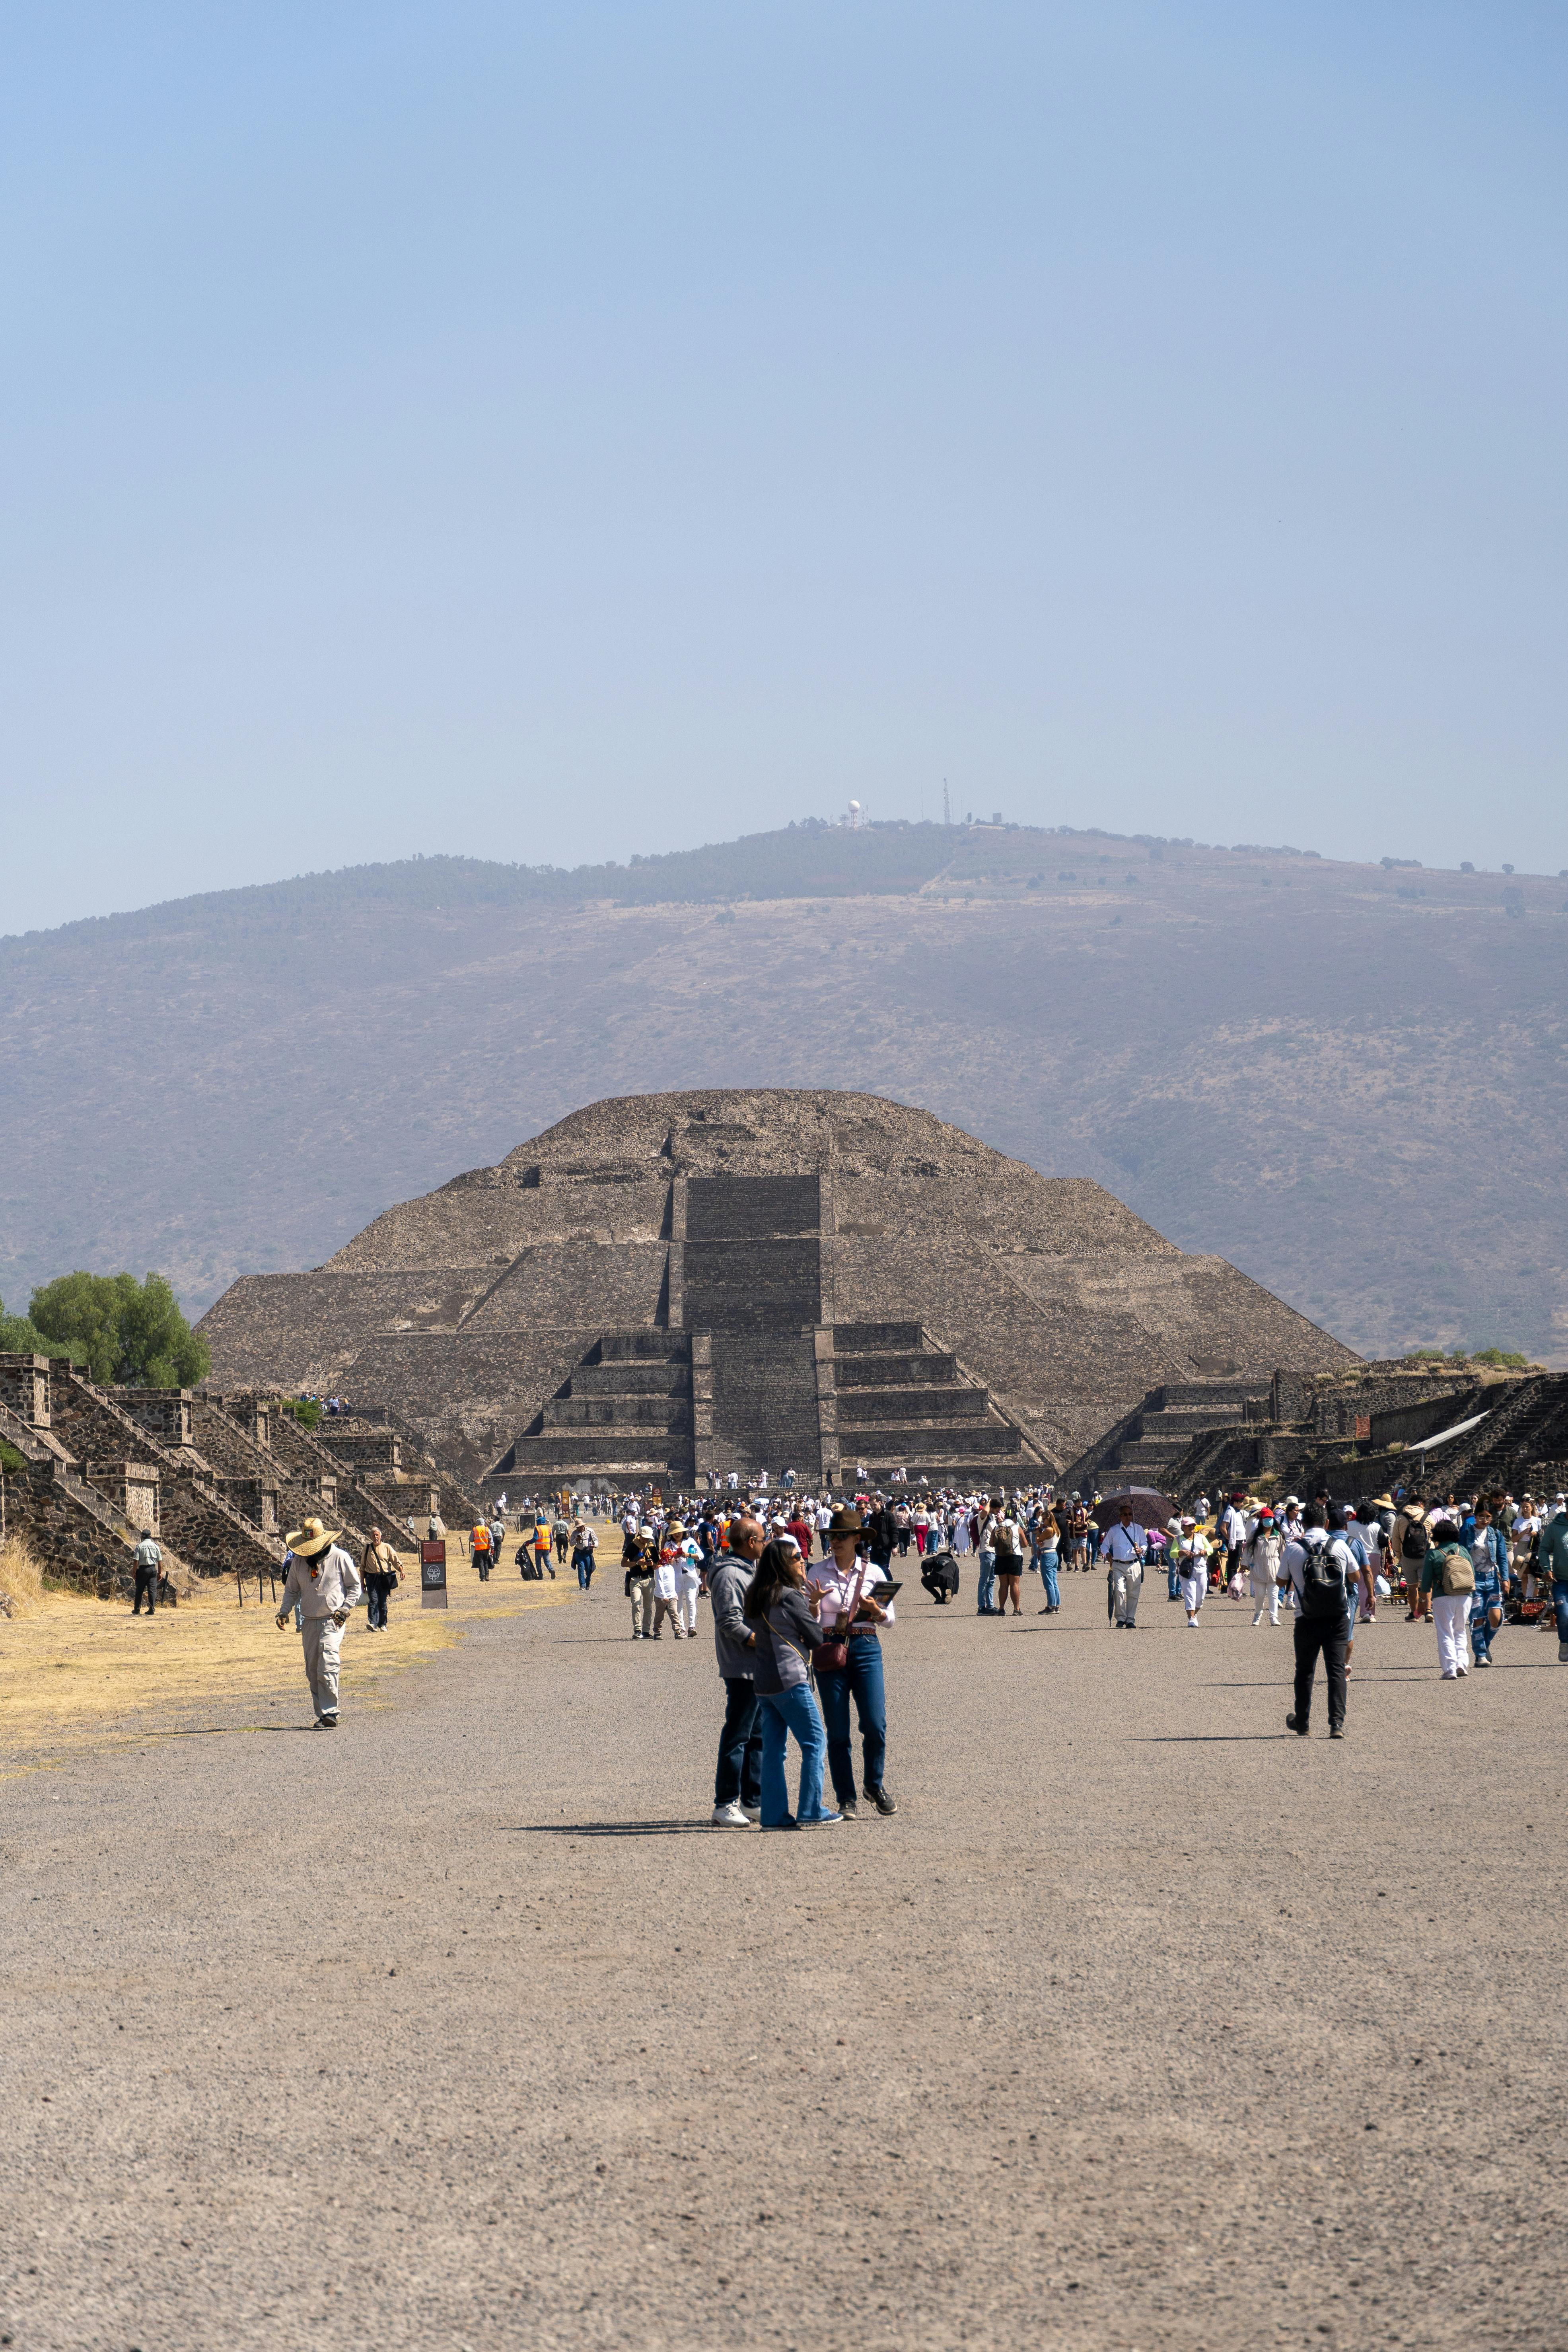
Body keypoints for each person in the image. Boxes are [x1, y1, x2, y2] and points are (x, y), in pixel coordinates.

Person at [743, 1539, 841, 1830]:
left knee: (774, 1750)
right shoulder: (789, 1595)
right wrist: (816, 1607)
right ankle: (811, 1807)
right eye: (797, 1557)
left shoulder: (757, 1594)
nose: (803, 1560)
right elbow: (815, 1637)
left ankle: (774, 1815)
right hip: (790, 1677)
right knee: (815, 1740)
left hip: (764, 1680)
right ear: (784, 1563)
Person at [807, 1508, 897, 1818]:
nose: (836, 1542)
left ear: (858, 1538)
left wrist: (876, 1610)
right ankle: (846, 1797)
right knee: (838, 1730)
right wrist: (815, 1607)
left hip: (867, 1646)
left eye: (842, 1536)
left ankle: (874, 1784)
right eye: (832, 1537)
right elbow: (809, 1623)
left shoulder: (875, 1573)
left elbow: (891, 1621)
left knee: (875, 1723)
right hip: (830, 1647)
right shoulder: (816, 1572)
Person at [275, 1516, 362, 1728]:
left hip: (334, 1619)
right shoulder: (298, 1561)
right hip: (309, 1621)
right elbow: (292, 1590)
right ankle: (323, 1714)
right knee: (313, 1669)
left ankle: (331, 1712)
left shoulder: (340, 1557)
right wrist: (284, 1611)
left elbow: (355, 1587)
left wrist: (345, 1609)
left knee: (328, 1663)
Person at [1279, 1503, 1355, 1738]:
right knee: (1336, 1670)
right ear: (1327, 1523)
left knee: (1305, 1670)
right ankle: (1337, 1725)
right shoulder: (1340, 1545)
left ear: (1303, 1523)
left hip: (1307, 1616)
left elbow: (1281, 1581)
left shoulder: (1293, 1548)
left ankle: (1302, 1722)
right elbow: (1354, 1575)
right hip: (1337, 1617)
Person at [710, 1515, 765, 1827]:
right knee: (738, 1735)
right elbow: (729, 1620)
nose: (766, 1541)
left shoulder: (749, 1571)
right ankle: (725, 1802)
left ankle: (752, 1800)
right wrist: (761, 1641)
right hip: (742, 1664)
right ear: (750, 1542)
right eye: (762, 1537)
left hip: (755, 1665)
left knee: (757, 1735)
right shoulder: (731, 1574)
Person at [1420, 1519, 1475, 1679]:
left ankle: (1450, 1668)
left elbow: (1426, 1583)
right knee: (1460, 1630)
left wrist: (1423, 1601)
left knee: (1445, 1632)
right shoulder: (1463, 1551)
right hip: (1465, 1595)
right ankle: (1462, 1664)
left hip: (1443, 1596)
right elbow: (1472, 1573)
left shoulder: (1433, 1554)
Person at [1467, 1505, 1507, 1668]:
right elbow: (1460, 1553)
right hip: (1474, 1580)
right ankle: (1481, 1655)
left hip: (1492, 1580)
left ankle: (1484, 1643)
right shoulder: (1467, 1533)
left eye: (1488, 1517)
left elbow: (1502, 1557)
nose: (1484, 1520)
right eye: (1481, 1516)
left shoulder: (1496, 1535)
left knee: (1496, 1618)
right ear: (1475, 1517)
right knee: (1478, 1617)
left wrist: (1505, 1578)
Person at [1101, 1503, 1144, 1628]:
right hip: (1118, 1564)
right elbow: (1104, 1545)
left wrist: (1141, 1549)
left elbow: (1145, 1543)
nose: (1128, 1517)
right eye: (1125, 1514)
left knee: (1133, 1594)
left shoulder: (1138, 1529)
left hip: (1134, 1564)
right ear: (1120, 1516)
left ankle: (1130, 1620)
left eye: (1130, 1514)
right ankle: (1121, 1618)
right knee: (1119, 1591)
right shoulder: (1114, 1530)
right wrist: (1107, 1553)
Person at [1245, 1509, 1283, 1627]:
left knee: (1273, 1595)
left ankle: (1274, 1618)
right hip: (1258, 1567)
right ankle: (1258, 1614)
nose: (1269, 1521)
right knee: (1260, 1595)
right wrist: (1244, 1564)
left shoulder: (1279, 1535)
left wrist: (1287, 1567)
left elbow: (1283, 1552)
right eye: (1266, 1518)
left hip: (1274, 1568)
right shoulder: (1255, 1535)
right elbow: (1248, 1550)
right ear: (1261, 1520)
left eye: (1271, 1518)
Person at [361, 1525, 399, 1630]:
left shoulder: (387, 1547)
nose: (375, 1537)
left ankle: (383, 1624)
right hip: (371, 1579)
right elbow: (362, 1567)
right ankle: (373, 1623)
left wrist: (402, 1570)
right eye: (373, 1535)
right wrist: (362, 1584)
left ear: (381, 1536)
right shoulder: (367, 1548)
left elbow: (395, 1560)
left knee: (382, 1602)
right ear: (371, 1536)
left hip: (383, 1579)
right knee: (373, 1601)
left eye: (377, 1535)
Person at [1177, 1517, 1212, 1628]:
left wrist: (1204, 1551)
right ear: (1183, 1527)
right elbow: (1173, 1553)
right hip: (1186, 1570)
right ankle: (1191, 1618)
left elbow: (1211, 1549)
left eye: (1193, 1525)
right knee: (1190, 1595)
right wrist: (1182, 1552)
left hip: (1201, 1569)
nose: (1192, 1528)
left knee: (1200, 1597)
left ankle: (1194, 1614)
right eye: (1189, 1526)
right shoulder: (1178, 1539)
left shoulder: (1201, 1537)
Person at [625, 1523, 657, 1640]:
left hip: (649, 1579)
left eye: (648, 1539)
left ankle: (646, 1631)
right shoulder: (632, 1546)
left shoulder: (652, 1547)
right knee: (636, 1605)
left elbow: (657, 1565)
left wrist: (652, 1564)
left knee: (648, 1607)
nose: (645, 1540)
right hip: (635, 1579)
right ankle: (637, 1630)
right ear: (639, 1536)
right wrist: (637, 1563)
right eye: (644, 1538)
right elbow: (624, 1563)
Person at [993, 1504, 1025, 1617]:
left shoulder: (997, 1527)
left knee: (1003, 1585)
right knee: (1014, 1584)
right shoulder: (1017, 1528)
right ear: (1015, 1518)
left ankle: (1001, 1609)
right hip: (1015, 1557)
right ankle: (1016, 1609)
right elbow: (1025, 1544)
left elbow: (992, 1543)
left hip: (1001, 1557)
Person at [1033, 1505, 1061, 1614]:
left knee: (1048, 1582)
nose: (1043, 1521)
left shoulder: (1049, 1530)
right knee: (1054, 1581)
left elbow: (1038, 1540)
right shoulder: (1056, 1530)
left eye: (1044, 1519)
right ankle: (1056, 1605)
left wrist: (1039, 1531)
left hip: (1047, 1555)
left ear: (1047, 1519)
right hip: (1054, 1554)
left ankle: (1051, 1606)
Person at [131, 1531, 162, 1616]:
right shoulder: (155, 1546)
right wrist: (160, 1573)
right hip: (153, 1569)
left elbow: (136, 1560)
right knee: (152, 1590)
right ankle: (152, 1609)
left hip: (143, 1570)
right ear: (151, 1536)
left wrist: (134, 1572)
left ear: (142, 1536)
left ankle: (137, 1609)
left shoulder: (140, 1546)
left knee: (140, 1590)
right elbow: (160, 1561)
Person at [570, 1518, 597, 1590]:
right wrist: (576, 1540)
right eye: (578, 1527)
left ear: (583, 1526)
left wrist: (594, 1545)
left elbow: (596, 1540)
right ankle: (582, 1585)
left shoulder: (589, 1531)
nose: (579, 1528)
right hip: (579, 1553)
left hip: (587, 1553)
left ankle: (588, 1582)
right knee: (580, 1568)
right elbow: (571, 1544)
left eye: (580, 1527)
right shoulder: (574, 1533)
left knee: (589, 1569)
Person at [471, 1518, 493, 1582]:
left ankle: (482, 1577)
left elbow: (471, 1540)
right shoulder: (487, 1529)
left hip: (478, 1549)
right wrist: (493, 1548)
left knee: (481, 1563)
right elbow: (490, 1539)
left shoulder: (475, 1530)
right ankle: (487, 1575)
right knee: (486, 1562)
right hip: (486, 1548)